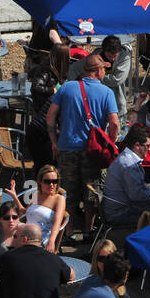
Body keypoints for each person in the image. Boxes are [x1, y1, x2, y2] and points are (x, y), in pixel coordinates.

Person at [48, 53, 118, 238]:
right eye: (105, 68)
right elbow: (115, 123)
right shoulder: (107, 93)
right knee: (91, 191)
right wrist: (109, 144)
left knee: (68, 191)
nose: (105, 72)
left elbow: (50, 117)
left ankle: (68, 230)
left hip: (67, 146)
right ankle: (88, 231)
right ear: (98, 71)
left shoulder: (67, 88)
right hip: (92, 151)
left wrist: (54, 141)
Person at [101, 131, 150, 227]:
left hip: (117, 209)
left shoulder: (126, 158)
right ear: (137, 145)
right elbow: (137, 196)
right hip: (119, 214)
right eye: (147, 146)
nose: (149, 149)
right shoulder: (128, 164)